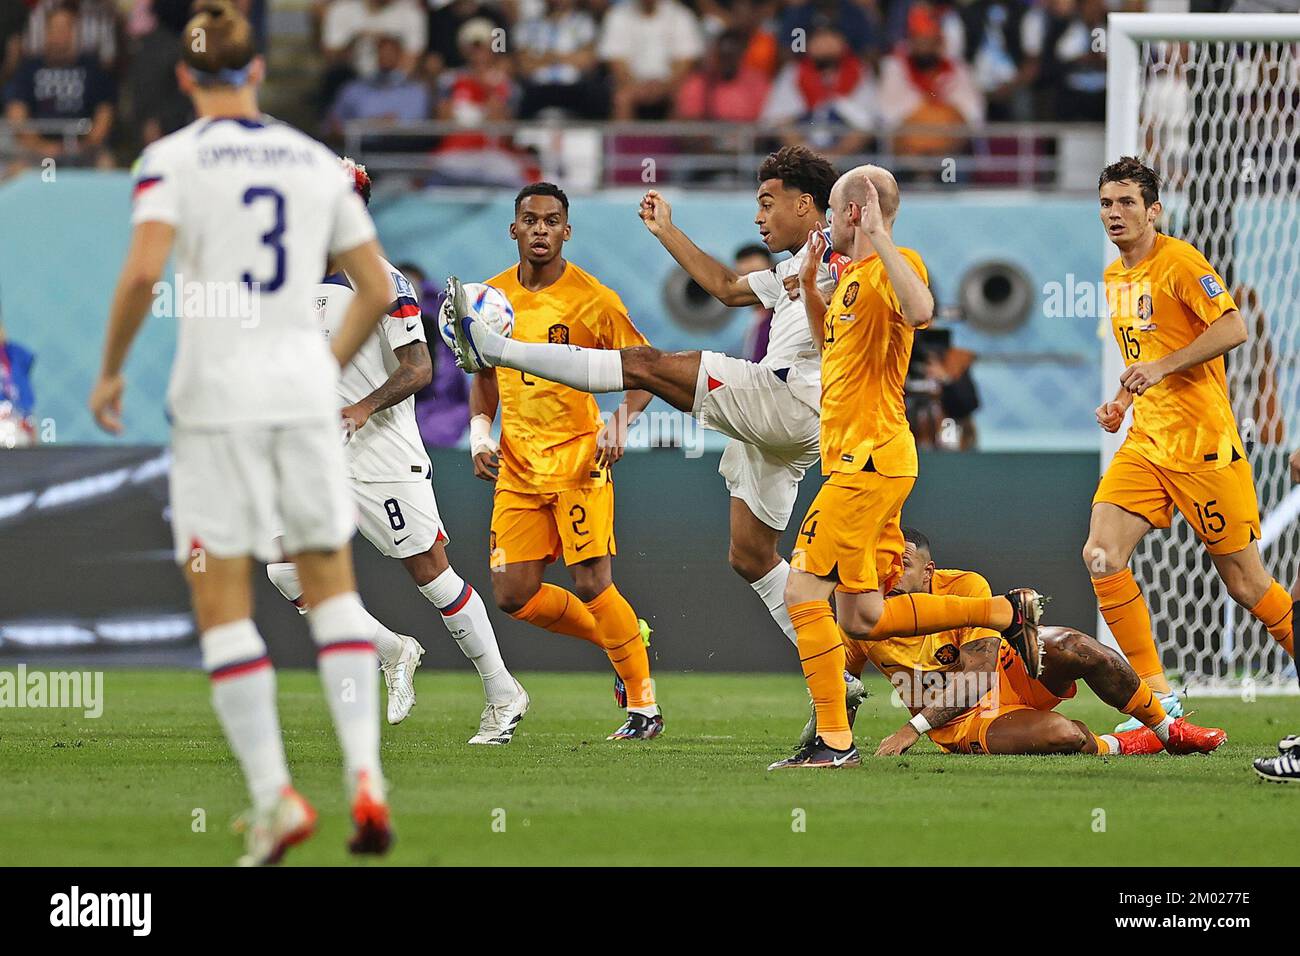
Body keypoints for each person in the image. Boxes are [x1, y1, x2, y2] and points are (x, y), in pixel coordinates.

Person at [88, 0, 395, 865]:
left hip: (217, 398)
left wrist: (110, 370)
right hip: (301, 393)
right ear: (256, 71)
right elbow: (372, 286)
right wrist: (317, 358)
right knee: (332, 585)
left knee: (222, 597)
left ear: (184, 78)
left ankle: (275, 800)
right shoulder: (312, 162)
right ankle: (365, 780)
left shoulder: (170, 158)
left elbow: (146, 268)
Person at [446, 148, 846, 666]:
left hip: (790, 399)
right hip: (779, 423)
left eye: (767, 203)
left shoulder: (842, 253)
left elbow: (882, 259)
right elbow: (725, 289)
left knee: (643, 363)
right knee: (750, 556)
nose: (758, 216)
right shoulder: (795, 266)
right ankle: (838, 670)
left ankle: (496, 348)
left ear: (807, 204)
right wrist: (666, 231)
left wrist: (852, 236)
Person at [768, 164, 1043, 769]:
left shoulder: (899, 264)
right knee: (862, 615)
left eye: (833, 212)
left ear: (852, 213)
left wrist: (883, 236)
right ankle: (1004, 612)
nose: (824, 224)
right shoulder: (849, 279)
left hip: (870, 460)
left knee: (801, 591)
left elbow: (921, 311)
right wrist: (814, 287)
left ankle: (834, 742)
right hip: (858, 459)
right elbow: (831, 348)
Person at [265, 159, 528, 743]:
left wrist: (361, 408)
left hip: (381, 450)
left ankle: (502, 690)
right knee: (285, 565)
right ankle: (392, 651)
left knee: (431, 574)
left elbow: (419, 368)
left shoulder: (382, 283)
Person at [1087, 156, 1295, 733]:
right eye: (1106, 203)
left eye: (1127, 202)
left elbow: (1233, 329)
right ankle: (1157, 700)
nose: (1115, 213)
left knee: (1247, 584)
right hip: (1148, 443)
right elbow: (1142, 359)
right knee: (1102, 555)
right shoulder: (1114, 277)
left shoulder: (1180, 262)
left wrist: (1161, 367)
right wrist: (1124, 400)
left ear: (1154, 210)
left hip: (1204, 448)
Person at [455, 182, 663, 741]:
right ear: (514, 228)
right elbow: (483, 376)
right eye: (531, 220)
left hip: (578, 460)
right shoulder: (488, 300)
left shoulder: (595, 300)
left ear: (567, 230)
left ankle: (643, 707)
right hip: (518, 468)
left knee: (593, 581)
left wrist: (618, 423)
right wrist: (480, 435)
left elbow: (645, 371)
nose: (541, 230)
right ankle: (621, 640)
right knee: (511, 594)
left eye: (552, 221)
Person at [799, 527, 1228, 756]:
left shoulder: (966, 586)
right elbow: (845, 687)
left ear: (929, 572)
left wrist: (912, 729)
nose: (888, 576)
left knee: (1078, 646)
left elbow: (983, 673)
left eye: (901, 564)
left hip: (1002, 672)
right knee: (1063, 735)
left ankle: (1169, 731)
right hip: (961, 722)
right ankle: (1120, 744)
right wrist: (833, 742)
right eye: (881, 567)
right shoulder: (862, 618)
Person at [3, 4, 115, 168]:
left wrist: (82, 146)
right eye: (55, 28)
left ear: (76, 32)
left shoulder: (93, 70)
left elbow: (104, 117)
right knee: (14, 170)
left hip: (83, 150)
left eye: (66, 28)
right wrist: (42, 147)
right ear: (46, 31)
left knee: (106, 166)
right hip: (36, 150)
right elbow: (17, 116)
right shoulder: (28, 69)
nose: (60, 34)